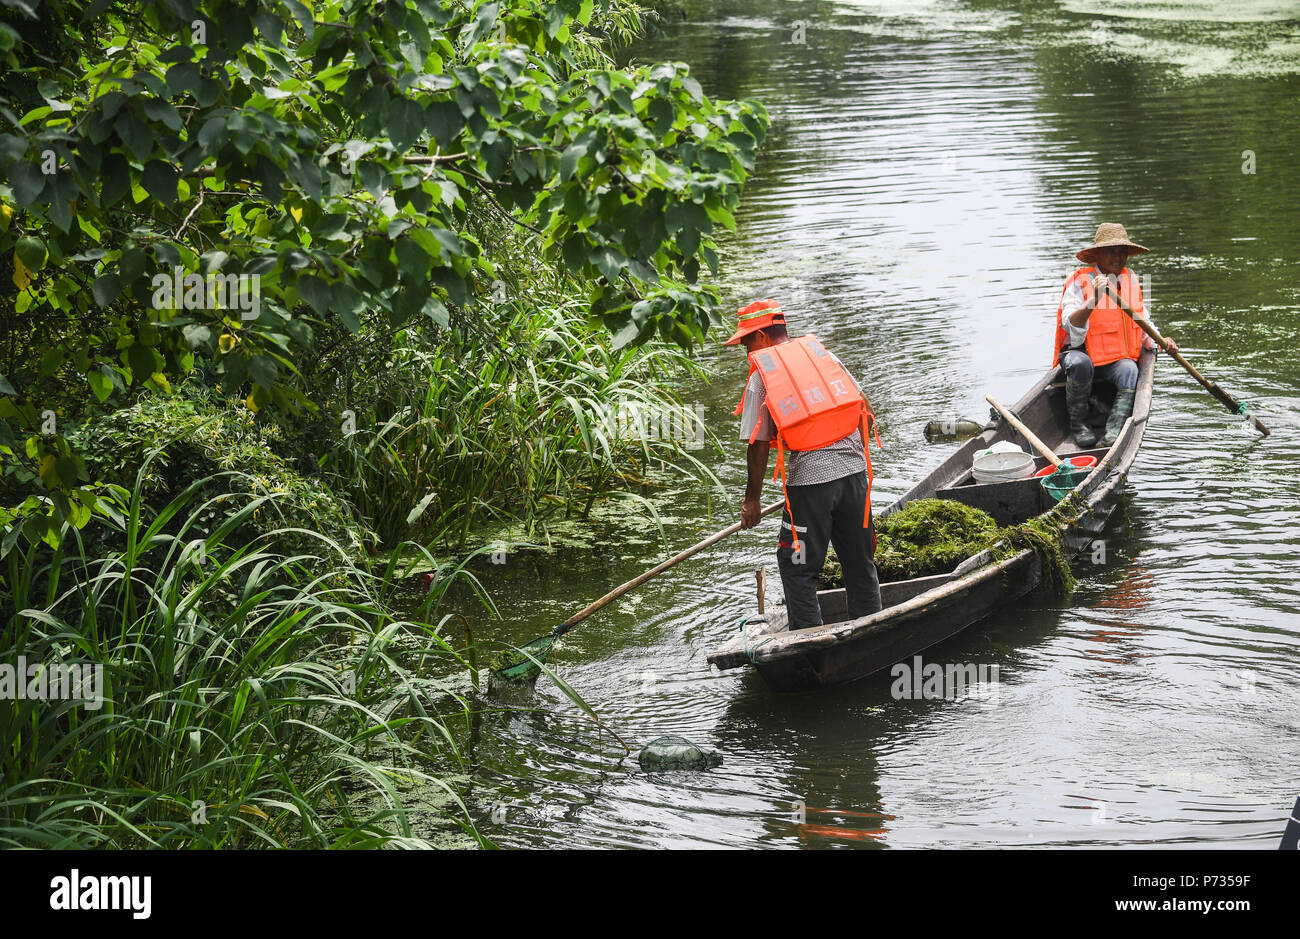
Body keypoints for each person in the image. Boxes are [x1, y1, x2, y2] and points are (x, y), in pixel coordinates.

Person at [726, 299, 882, 630]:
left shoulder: (762, 376)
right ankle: (874, 629)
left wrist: (751, 500)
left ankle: (809, 644)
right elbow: (864, 408)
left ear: (763, 338)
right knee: (859, 562)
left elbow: (757, 445)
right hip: (855, 477)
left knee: (797, 567)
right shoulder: (823, 357)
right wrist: (851, 460)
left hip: (810, 486)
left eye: (746, 341)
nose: (745, 351)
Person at [1052, 223, 1179, 448]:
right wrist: (1094, 300)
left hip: (1114, 358)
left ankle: (1113, 431)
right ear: (1098, 253)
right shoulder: (1079, 280)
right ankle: (1079, 425)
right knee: (1081, 364)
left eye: (1122, 252)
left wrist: (1162, 341)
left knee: (1130, 368)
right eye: (1112, 251)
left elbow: (1142, 320)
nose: (1118, 257)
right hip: (1080, 355)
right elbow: (1070, 324)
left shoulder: (1129, 278)